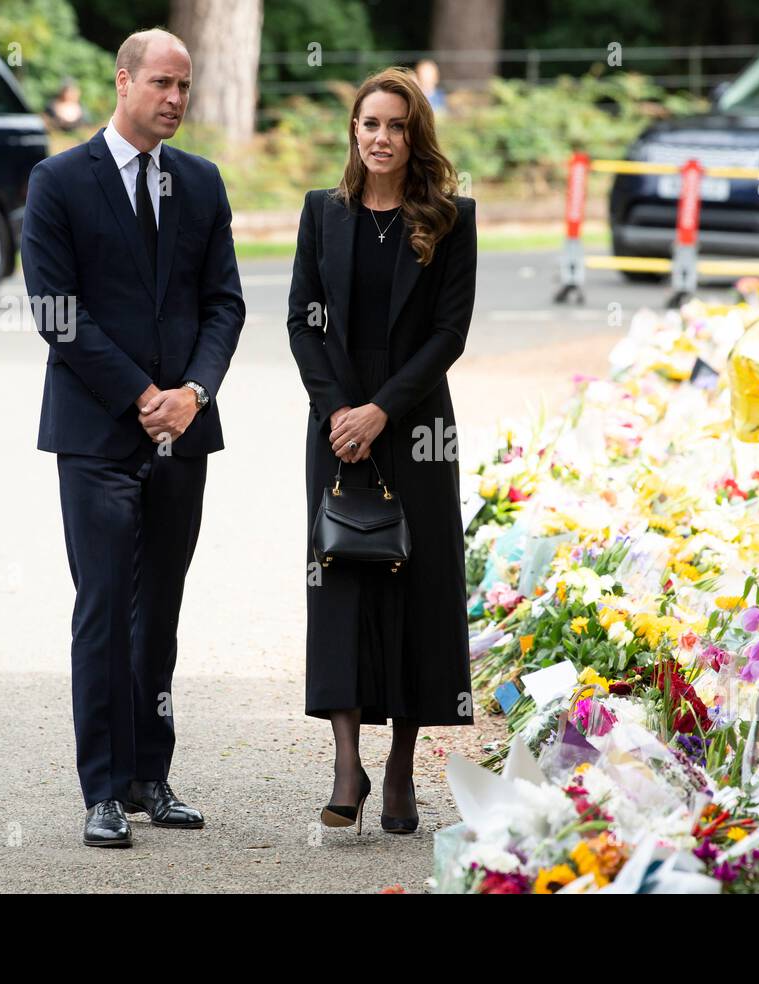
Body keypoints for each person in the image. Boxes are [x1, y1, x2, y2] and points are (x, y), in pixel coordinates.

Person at [21, 29, 245, 848]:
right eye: (162, 83)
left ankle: (153, 775)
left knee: (163, 614)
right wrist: (142, 394)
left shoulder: (201, 183)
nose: (176, 100)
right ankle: (105, 790)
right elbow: (56, 313)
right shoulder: (57, 182)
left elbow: (226, 303)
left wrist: (191, 393)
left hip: (183, 434)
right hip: (95, 435)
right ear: (122, 82)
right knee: (106, 608)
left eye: (185, 86)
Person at [286, 67, 476, 835]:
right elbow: (302, 321)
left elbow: (448, 335)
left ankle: (399, 771)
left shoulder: (450, 218)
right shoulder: (320, 214)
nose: (382, 138)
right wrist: (340, 412)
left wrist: (380, 412)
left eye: (396, 126)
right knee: (339, 584)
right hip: (335, 429)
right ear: (354, 132)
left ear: (414, 134)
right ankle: (345, 765)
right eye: (370, 124)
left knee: (414, 590)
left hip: (417, 431)